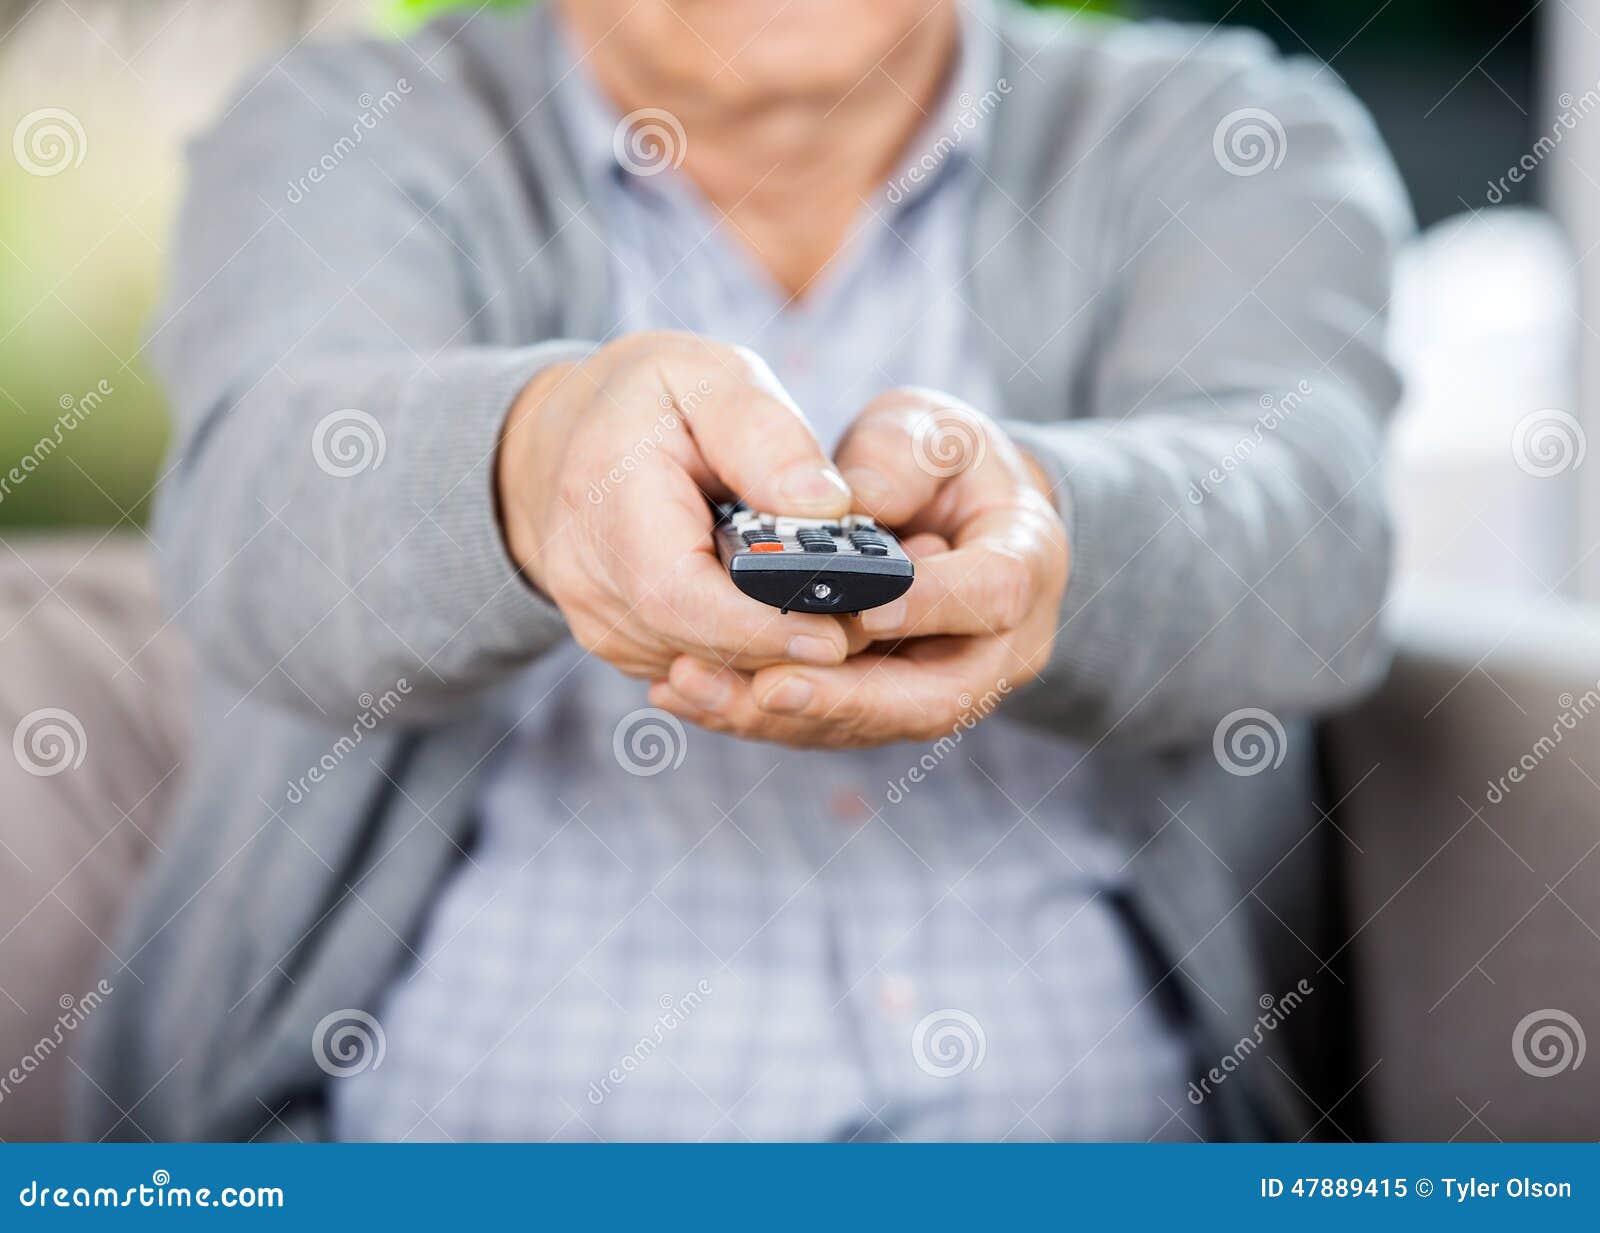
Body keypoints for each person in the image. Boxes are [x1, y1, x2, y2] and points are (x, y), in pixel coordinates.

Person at [77, 0, 1410, 1141]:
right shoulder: (344, 124)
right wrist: (532, 466)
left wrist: (1053, 528)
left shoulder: (1229, 134)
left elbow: (1315, 542)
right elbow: (260, 520)